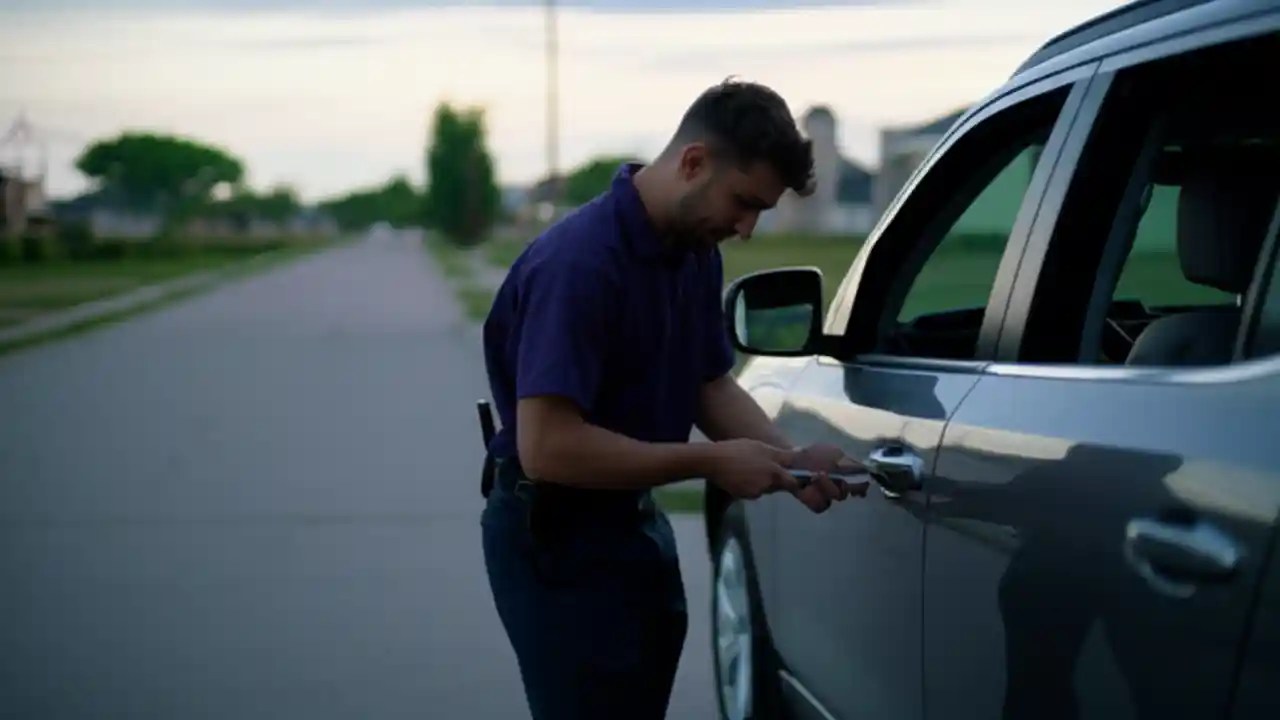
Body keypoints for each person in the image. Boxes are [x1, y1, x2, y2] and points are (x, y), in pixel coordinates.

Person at [480, 78, 869, 720]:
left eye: (759, 213)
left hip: (630, 523)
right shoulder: (578, 265)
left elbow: (706, 385)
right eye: (743, 203)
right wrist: (713, 463)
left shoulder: (692, 251)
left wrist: (791, 459)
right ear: (693, 162)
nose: (745, 228)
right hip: (554, 537)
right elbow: (547, 447)